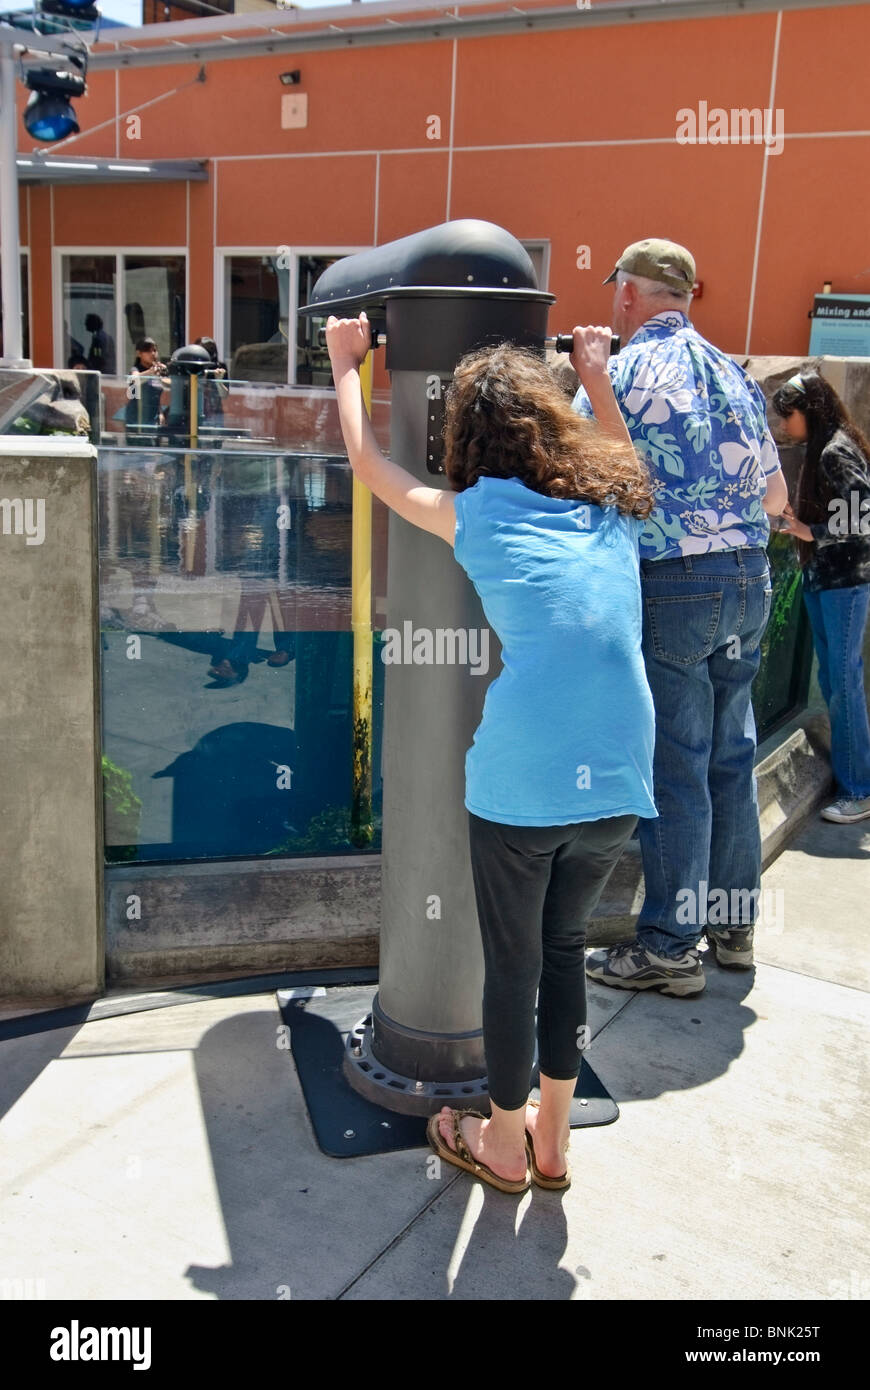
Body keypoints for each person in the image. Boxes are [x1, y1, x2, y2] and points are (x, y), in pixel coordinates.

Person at [325, 309, 657, 1194]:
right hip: (621, 774)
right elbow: (623, 459)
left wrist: (347, 364)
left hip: (526, 782)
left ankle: (504, 1146)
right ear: (554, 428)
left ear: (467, 436)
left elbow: (369, 467)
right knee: (564, 951)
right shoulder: (613, 509)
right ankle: (554, 1141)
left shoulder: (478, 516)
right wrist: (594, 377)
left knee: (512, 968)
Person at [573, 239, 788, 992]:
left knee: (676, 768)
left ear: (630, 294)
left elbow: (580, 472)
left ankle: (668, 946)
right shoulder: (735, 372)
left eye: (615, 292)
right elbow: (773, 500)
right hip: (749, 579)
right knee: (733, 757)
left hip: (673, 584)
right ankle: (734, 928)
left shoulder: (620, 372)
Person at [772, 372, 870, 822]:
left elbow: (862, 513)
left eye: (788, 415)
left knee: (844, 683)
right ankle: (853, 779)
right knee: (835, 682)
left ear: (807, 411)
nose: (784, 425)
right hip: (826, 578)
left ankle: (858, 790)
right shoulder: (826, 446)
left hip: (844, 580)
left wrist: (813, 531)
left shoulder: (835, 451)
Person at [125, 338, 168, 433]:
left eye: (154, 350)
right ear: (139, 353)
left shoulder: (157, 371)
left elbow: (156, 396)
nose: (152, 354)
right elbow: (133, 379)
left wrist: (160, 413)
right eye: (148, 351)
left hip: (153, 419)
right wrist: (151, 372)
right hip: (138, 420)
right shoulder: (136, 369)